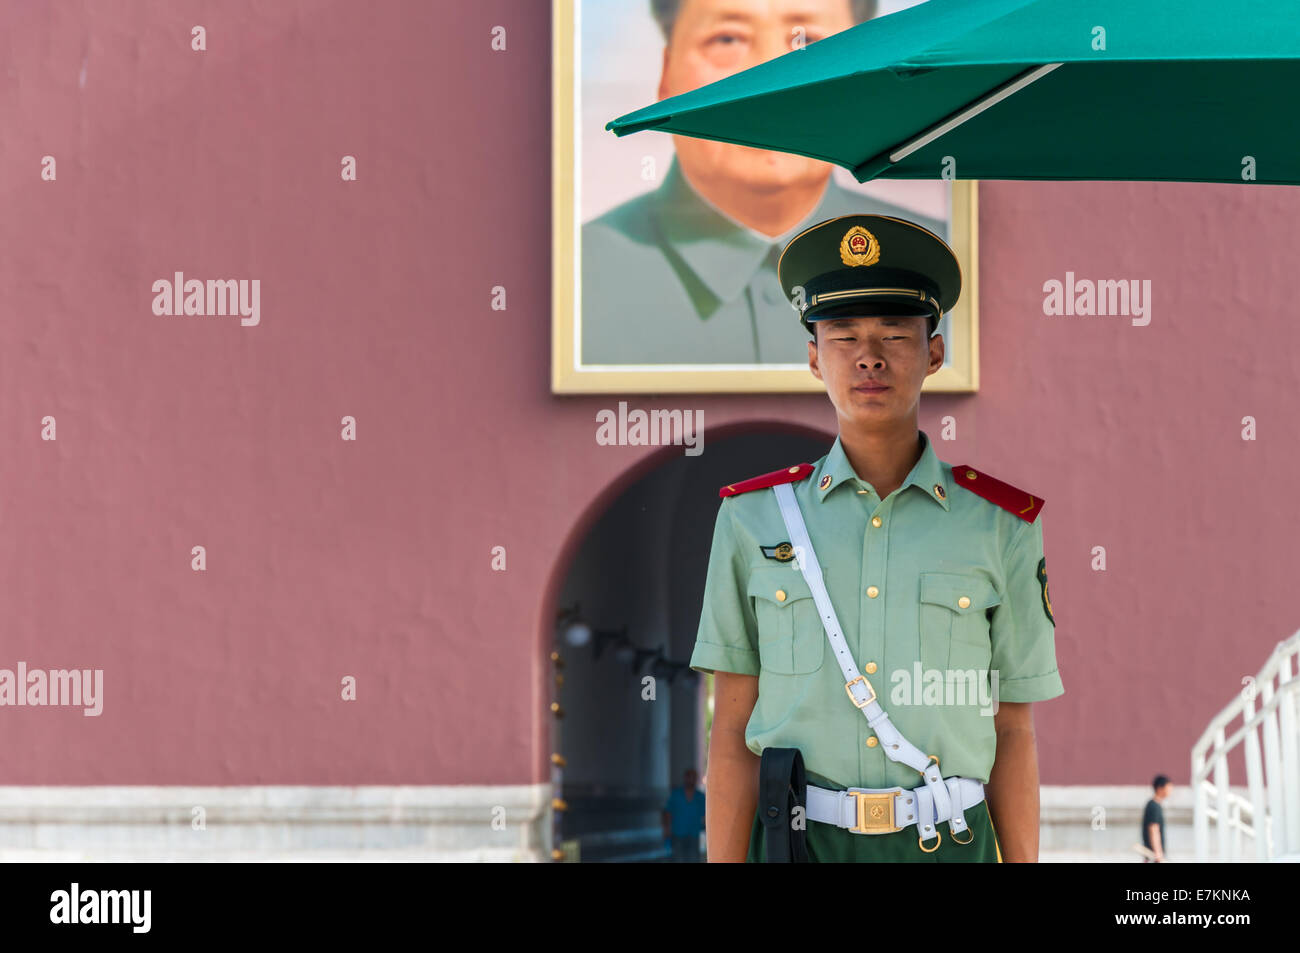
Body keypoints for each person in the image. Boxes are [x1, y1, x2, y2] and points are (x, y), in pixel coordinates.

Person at [689, 214, 1065, 862]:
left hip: (949, 843)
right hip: (801, 845)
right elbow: (731, 726)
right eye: (843, 336)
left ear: (935, 352)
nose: (870, 356)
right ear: (813, 357)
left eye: (895, 334)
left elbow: (1012, 724)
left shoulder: (1001, 525)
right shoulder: (754, 520)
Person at [582, 0, 944, 365]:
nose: (769, 79)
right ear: (666, 73)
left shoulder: (937, 264)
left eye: (810, 43)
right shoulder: (579, 276)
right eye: (727, 39)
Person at [662, 767, 706, 861]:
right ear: (685, 778)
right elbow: (667, 812)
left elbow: (705, 816)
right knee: (678, 859)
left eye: (694, 777)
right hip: (678, 833)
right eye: (690, 777)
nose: (692, 780)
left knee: (694, 859)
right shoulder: (676, 794)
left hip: (694, 834)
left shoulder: (700, 796)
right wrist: (667, 829)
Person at [1142, 775, 1172, 862]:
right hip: (1153, 856)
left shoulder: (1155, 805)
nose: (1170, 790)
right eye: (1168, 787)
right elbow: (1153, 829)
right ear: (1160, 788)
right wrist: (1158, 853)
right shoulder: (1154, 806)